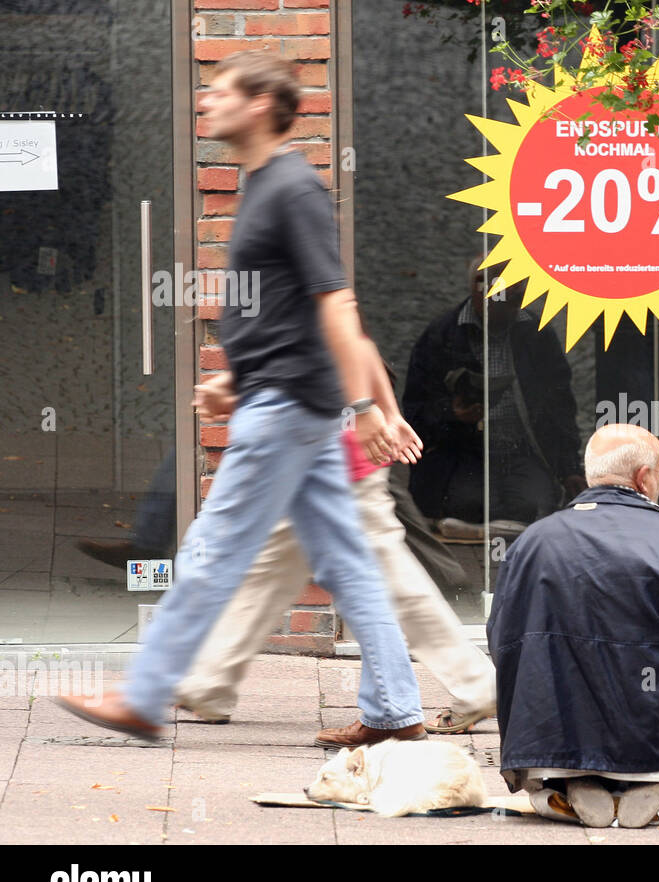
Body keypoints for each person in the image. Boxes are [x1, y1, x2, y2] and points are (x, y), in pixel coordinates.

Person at [56, 50, 426, 747]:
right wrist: (239, 376)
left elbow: (336, 305)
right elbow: (289, 313)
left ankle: (142, 695)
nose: (206, 101)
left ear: (261, 105)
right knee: (347, 561)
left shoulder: (293, 188)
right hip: (286, 401)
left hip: (290, 411)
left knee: (210, 551)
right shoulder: (262, 184)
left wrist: (366, 410)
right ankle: (394, 710)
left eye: (220, 91)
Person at [173, 337, 495, 734]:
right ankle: (209, 682)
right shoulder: (296, 284)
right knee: (271, 570)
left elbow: (329, 346)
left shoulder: (298, 282)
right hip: (321, 452)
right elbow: (345, 345)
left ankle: (472, 684)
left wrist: (236, 385)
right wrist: (385, 412)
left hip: (326, 455)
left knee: (386, 580)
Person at [487, 424, 659, 828]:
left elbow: (503, 643)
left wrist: (524, 737)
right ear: (644, 478)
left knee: (546, 692)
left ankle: (558, 789)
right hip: (658, 746)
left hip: (551, 741)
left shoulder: (531, 542)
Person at [402, 263, 585, 531]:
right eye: (507, 299)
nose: (512, 308)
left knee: (532, 505)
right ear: (480, 293)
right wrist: (452, 415)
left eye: (518, 299)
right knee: (468, 505)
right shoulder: (441, 336)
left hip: (522, 451)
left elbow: (559, 408)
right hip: (463, 453)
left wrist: (569, 467)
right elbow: (416, 412)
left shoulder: (536, 334)